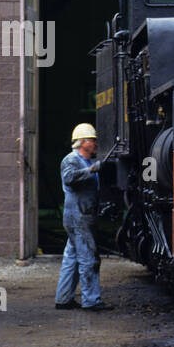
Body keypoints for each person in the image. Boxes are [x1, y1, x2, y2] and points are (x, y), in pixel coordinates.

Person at [54, 123, 111, 311]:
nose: (95, 144)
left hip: (82, 215)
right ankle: (91, 301)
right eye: (92, 140)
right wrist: (92, 170)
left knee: (72, 257)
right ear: (82, 142)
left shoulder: (86, 161)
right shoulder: (71, 160)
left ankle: (63, 299)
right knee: (88, 258)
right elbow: (70, 179)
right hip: (78, 216)